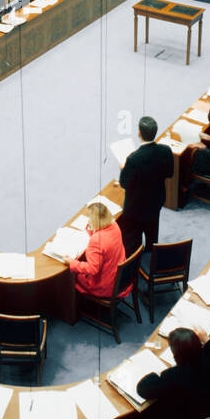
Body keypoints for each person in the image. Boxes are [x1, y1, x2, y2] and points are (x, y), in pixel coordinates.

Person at [134, 328, 210, 419]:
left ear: (176, 355)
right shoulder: (209, 359)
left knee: (142, 417)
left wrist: (155, 374)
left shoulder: (173, 377)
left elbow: (142, 389)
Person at [118, 116, 175, 252]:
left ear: (139, 133)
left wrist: (123, 169)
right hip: (156, 201)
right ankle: (151, 249)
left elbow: (124, 183)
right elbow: (170, 173)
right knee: (152, 229)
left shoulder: (133, 159)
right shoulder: (166, 151)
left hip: (136, 207)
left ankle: (135, 256)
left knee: (133, 236)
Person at [69, 201, 128, 300]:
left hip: (105, 286)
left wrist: (72, 263)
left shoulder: (96, 241)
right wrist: (93, 229)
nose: (88, 221)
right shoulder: (114, 226)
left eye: (90, 220)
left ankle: (73, 310)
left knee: (69, 275)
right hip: (120, 277)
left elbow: (92, 269)